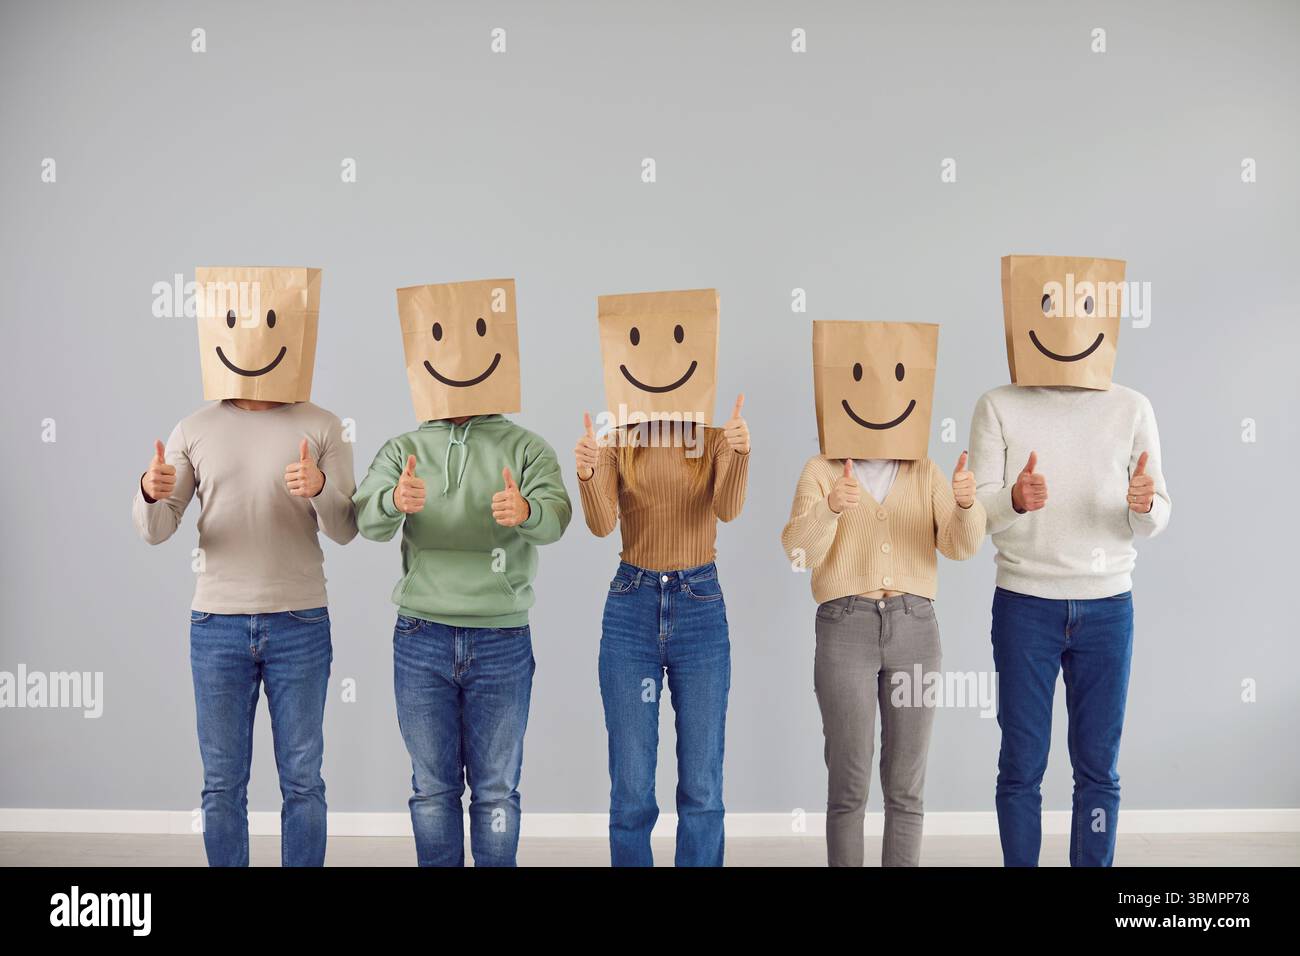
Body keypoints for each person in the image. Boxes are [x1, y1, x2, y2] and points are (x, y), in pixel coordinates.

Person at [134, 400, 356, 867]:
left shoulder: (322, 426)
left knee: (302, 779)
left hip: (301, 620)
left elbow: (346, 528)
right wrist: (149, 493)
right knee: (222, 781)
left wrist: (318, 488)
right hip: (217, 624)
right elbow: (157, 530)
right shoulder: (193, 429)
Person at [354, 413, 570, 867]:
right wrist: (394, 500)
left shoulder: (527, 446)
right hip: (421, 636)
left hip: (501, 636)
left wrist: (527, 511)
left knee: (496, 791)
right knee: (432, 789)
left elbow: (556, 521)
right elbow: (367, 522)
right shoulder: (403, 446)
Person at [969, 384, 1170, 866]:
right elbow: (974, 515)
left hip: (1106, 608)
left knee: (1098, 768)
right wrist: (1013, 500)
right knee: (1021, 765)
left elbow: (1157, 512)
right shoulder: (998, 405)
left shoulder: (1132, 406)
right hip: (1024, 603)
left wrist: (1144, 505)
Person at [782, 452, 985, 866]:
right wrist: (831, 507)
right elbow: (799, 553)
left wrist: (966, 506)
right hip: (844, 627)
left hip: (915, 628)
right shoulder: (821, 469)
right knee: (848, 785)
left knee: (906, 787)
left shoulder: (925, 468)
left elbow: (960, 546)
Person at [575, 396, 750, 866]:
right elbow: (599, 524)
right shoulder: (619, 442)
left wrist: (739, 453)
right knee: (631, 785)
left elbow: (729, 510)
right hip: (632, 602)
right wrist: (589, 472)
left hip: (699, 604)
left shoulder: (714, 438)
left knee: (702, 783)